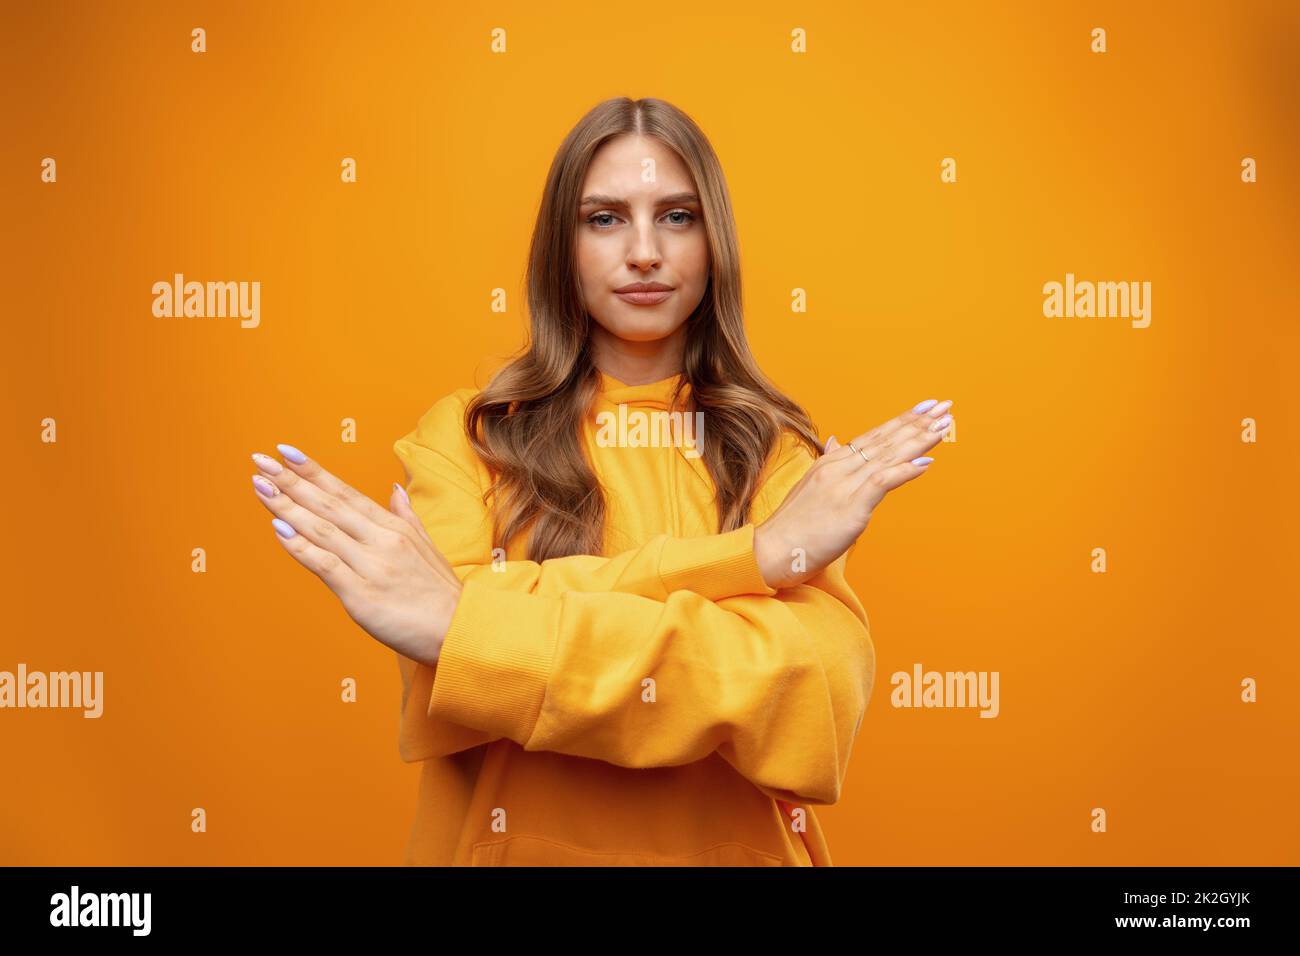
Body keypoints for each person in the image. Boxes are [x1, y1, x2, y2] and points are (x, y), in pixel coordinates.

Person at [247, 97, 955, 866]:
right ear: (562, 245)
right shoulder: (466, 436)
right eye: (606, 218)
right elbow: (444, 676)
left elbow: (810, 688)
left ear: (715, 242)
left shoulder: (774, 450)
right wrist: (754, 558)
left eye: (677, 216)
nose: (645, 251)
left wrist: (480, 627)